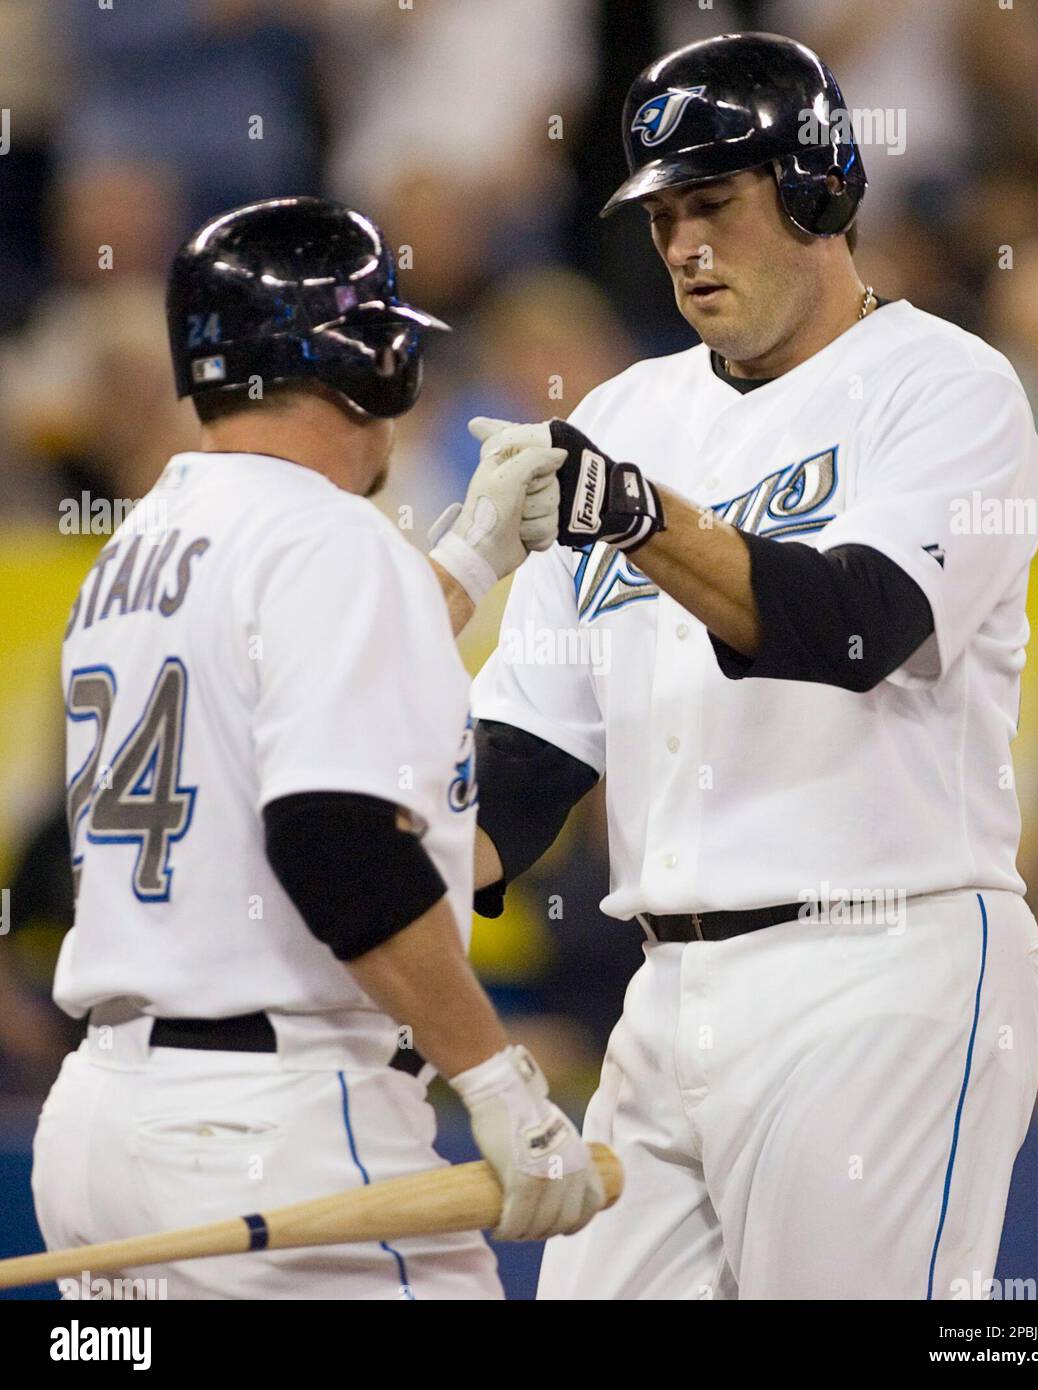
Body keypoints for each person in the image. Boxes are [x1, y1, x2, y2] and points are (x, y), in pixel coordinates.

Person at [454, 33, 1038, 1299]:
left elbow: (853, 626)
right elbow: (527, 761)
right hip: (665, 992)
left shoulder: (947, 387)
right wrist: (358, 876)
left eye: (713, 202)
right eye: (662, 214)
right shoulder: (623, 416)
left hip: (883, 966)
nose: (681, 244)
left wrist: (633, 515)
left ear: (820, 188)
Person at [31, 196, 603, 1302]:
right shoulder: (332, 537)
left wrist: (470, 561)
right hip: (276, 1128)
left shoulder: (135, 545)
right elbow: (336, 841)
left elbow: (301, 680)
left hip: (103, 1120)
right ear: (372, 361)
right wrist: (498, 1083)